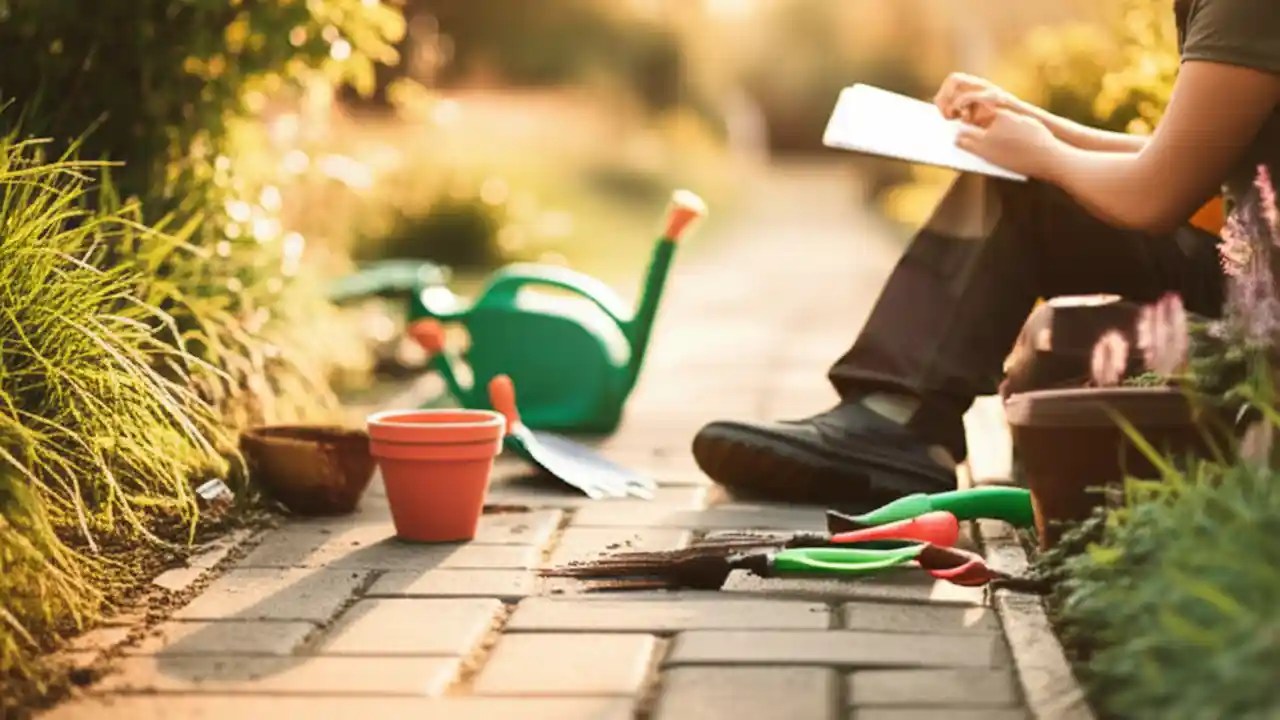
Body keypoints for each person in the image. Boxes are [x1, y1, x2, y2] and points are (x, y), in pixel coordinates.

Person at [692, 0, 1280, 507]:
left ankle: (897, 420)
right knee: (1015, 173)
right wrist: (1030, 124)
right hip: (1247, 263)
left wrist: (1044, 153)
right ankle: (895, 414)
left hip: (1260, 291)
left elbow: (1155, 194)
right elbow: (1186, 158)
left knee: (1028, 188)